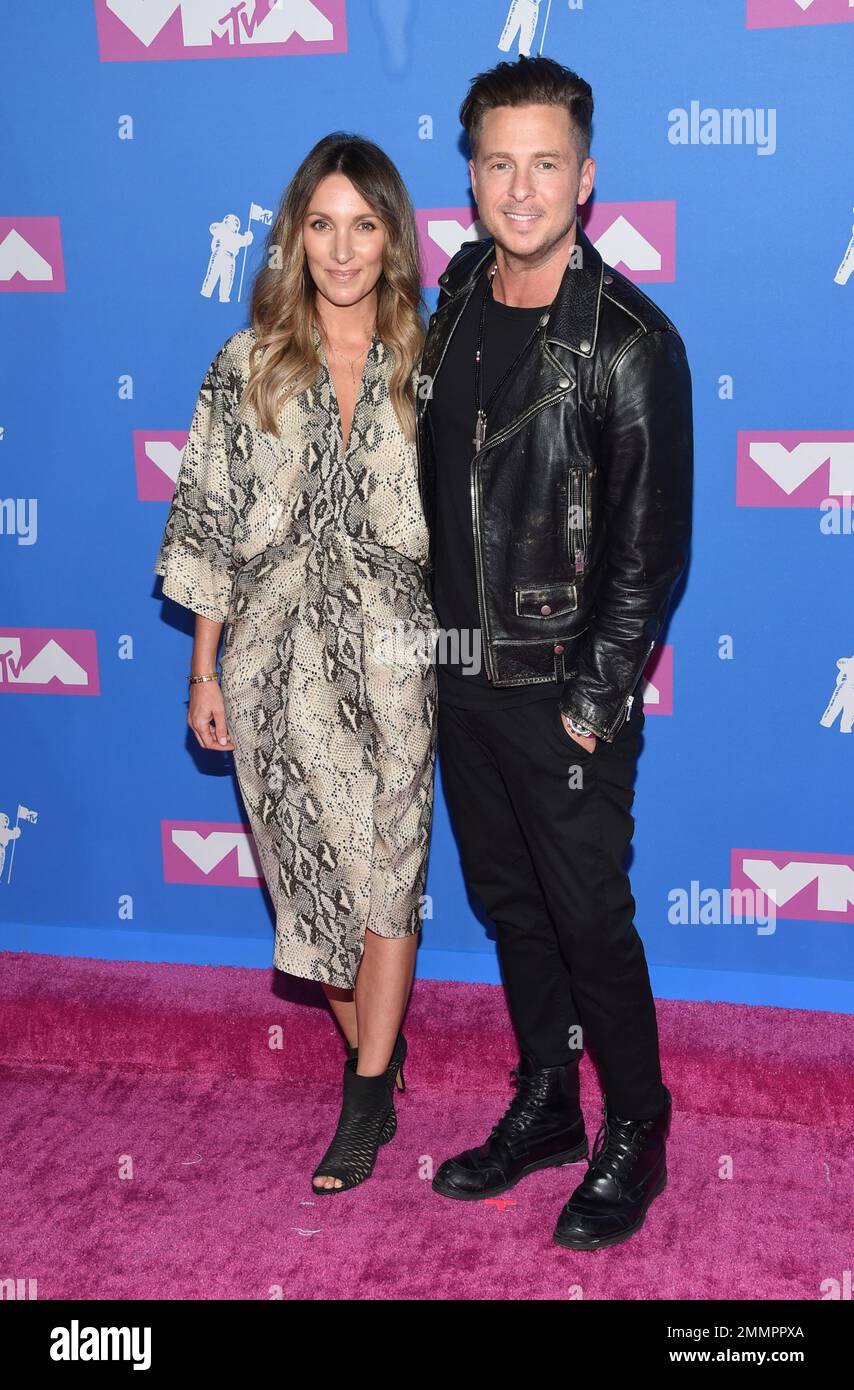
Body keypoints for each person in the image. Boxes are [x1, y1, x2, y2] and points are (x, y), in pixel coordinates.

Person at [416, 56, 693, 1250]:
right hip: (459, 675)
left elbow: (647, 560)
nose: (518, 189)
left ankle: (637, 1125)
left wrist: (589, 706)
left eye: (544, 165)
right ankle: (546, 1105)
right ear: (470, 174)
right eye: (496, 163)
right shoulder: (460, 286)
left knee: (587, 919)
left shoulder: (630, 344)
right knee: (510, 909)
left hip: (561, 697)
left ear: (586, 177)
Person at [154, 133, 438, 1196]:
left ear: (391, 237)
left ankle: (362, 1099)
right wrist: (204, 671)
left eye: (363, 224)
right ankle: (376, 1043)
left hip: (400, 650)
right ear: (294, 235)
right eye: (321, 224)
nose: (341, 247)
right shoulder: (244, 364)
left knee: (390, 870)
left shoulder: (432, 357)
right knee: (310, 883)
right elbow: (209, 522)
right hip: (271, 661)